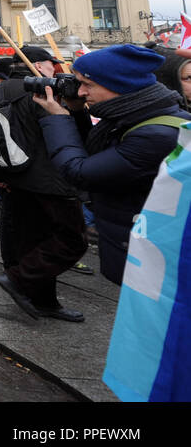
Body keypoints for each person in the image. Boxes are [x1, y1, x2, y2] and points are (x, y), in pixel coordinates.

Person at [34, 44, 191, 285]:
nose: (82, 92)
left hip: (151, 255)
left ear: (120, 85)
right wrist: (76, 113)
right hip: (134, 241)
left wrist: (58, 119)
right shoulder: (131, 114)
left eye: (89, 84)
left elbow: (80, 171)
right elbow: (96, 149)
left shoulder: (155, 134)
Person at [0, 47, 91, 321]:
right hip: (50, 179)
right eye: (50, 64)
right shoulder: (44, 92)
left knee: (33, 241)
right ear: (37, 65)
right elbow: (71, 134)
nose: (55, 69)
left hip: (14, 178)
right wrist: (77, 111)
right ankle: (19, 280)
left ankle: (45, 300)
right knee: (72, 240)